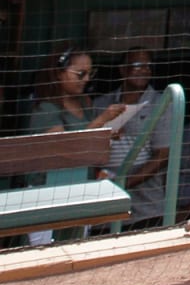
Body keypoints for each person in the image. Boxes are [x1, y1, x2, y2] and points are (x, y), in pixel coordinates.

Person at [26, 49, 126, 245]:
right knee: (44, 252)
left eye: (90, 73)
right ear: (59, 73)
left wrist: (108, 133)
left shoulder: (85, 103)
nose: (86, 79)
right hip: (47, 193)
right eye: (80, 74)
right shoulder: (45, 108)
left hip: (81, 188)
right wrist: (101, 121)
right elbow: (64, 148)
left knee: (77, 246)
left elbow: (91, 144)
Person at [94, 48, 174, 227]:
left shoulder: (162, 104)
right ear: (123, 69)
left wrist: (123, 184)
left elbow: (162, 156)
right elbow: (90, 151)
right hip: (105, 211)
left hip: (146, 208)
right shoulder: (101, 105)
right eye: (138, 65)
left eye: (148, 66)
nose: (144, 70)